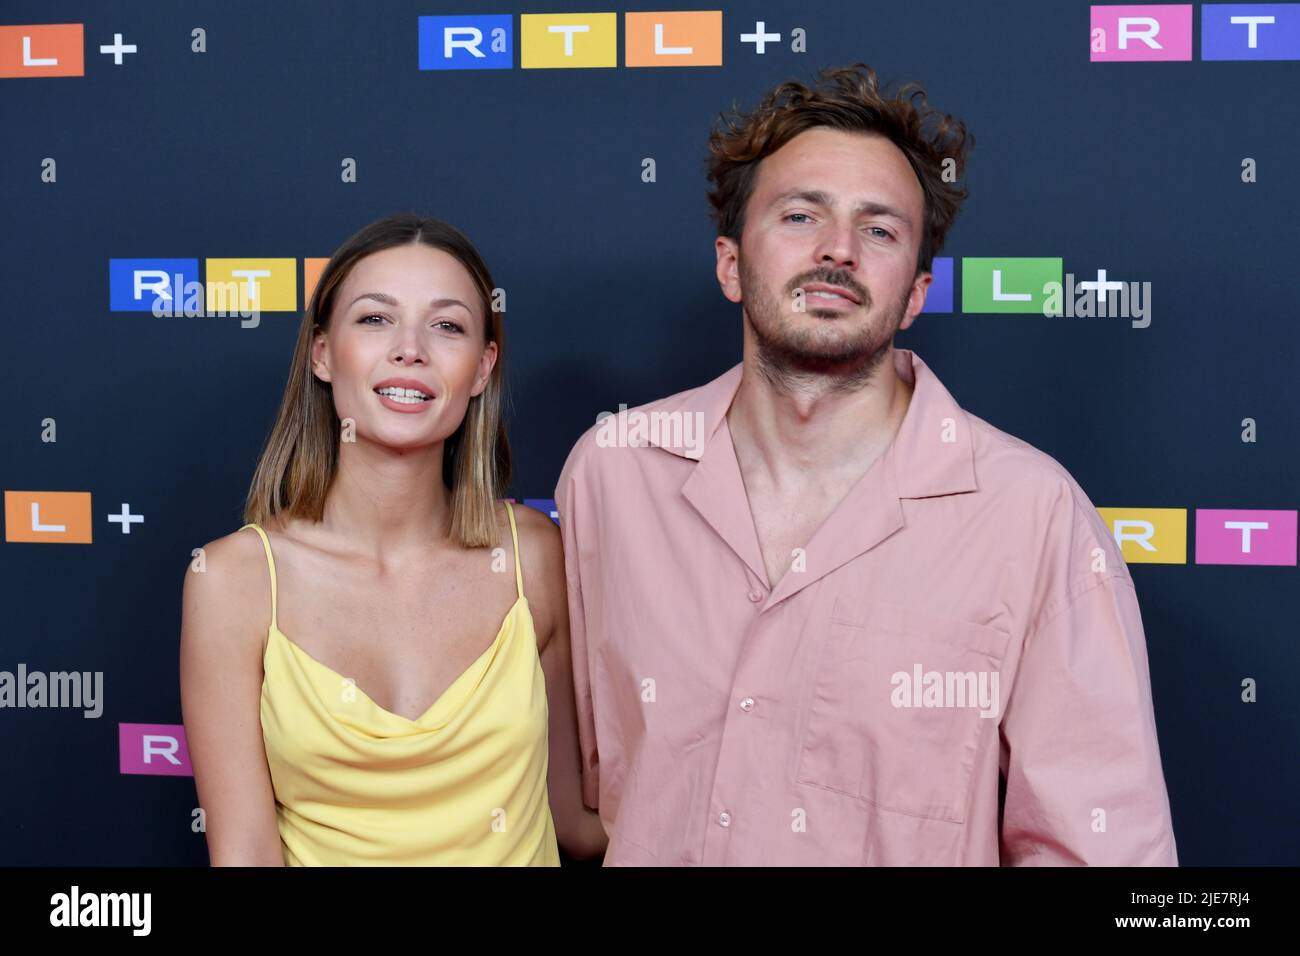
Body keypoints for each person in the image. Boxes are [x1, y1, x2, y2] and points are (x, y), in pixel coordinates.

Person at [554, 64, 1179, 865]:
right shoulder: (613, 472)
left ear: (915, 294)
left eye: (879, 229)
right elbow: (582, 794)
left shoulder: (1033, 514)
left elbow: (1107, 854)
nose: (837, 251)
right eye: (799, 214)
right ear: (730, 264)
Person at [180, 213, 605, 865]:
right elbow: (245, 857)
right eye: (375, 319)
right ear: (322, 352)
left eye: (448, 325)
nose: (411, 348)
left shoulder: (533, 555)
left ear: (482, 366)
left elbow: (574, 818)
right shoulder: (233, 581)